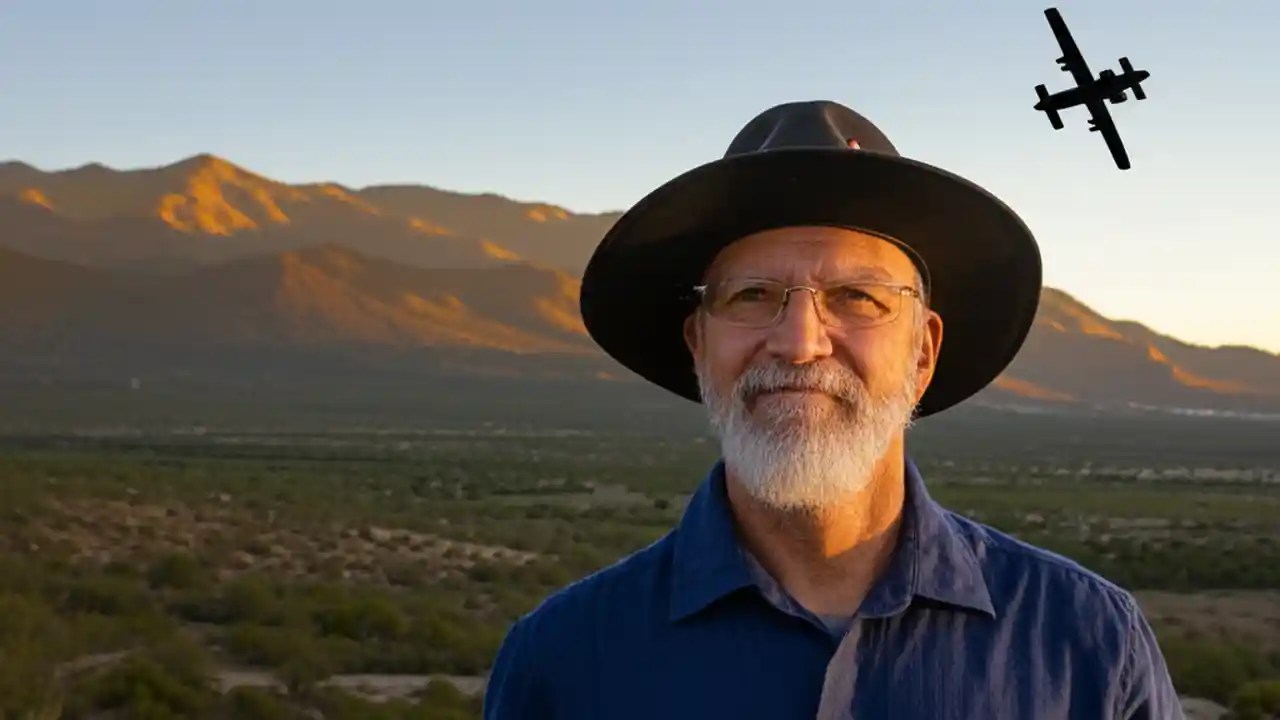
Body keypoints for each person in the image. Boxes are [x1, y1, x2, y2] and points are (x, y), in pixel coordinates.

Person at [482, 100, 1184, 719]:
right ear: (699, 344)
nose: (798, 342)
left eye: (857, 298)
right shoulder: (564, 660)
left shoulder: (1085, 640)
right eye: (752, 296)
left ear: (922, 353)